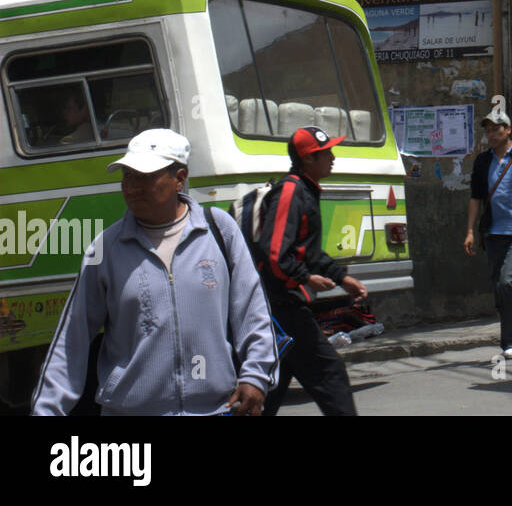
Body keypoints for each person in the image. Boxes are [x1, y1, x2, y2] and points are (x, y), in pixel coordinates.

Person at [32, 129, 277, 415]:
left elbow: (253, 312)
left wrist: (256, 375)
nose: (132, 187)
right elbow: (70, 340)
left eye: (146, 177)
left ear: (180, 178)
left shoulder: (219, 230)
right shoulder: (106, 249)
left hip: (214, 409)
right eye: (127, 177)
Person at [257, 126, 367, 416]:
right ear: (307, 159)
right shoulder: (291, 191)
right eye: (325, 152)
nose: (332, 157)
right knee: (330, 372)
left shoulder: (305, 190)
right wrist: (305, 278)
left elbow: (311, 253)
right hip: (281, 304)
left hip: (284, 303)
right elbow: (275, 253)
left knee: (271, 385)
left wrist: (342, 277)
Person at [464, 112, 512, 359]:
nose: (491, 134)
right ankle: (511, 340)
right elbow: (476, 199)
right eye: (488, 130)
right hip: (492, 233)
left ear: (508, 130)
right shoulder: (482, 161)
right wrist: (470, 231)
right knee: (499, 289)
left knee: (507, 281)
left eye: (496, 129)